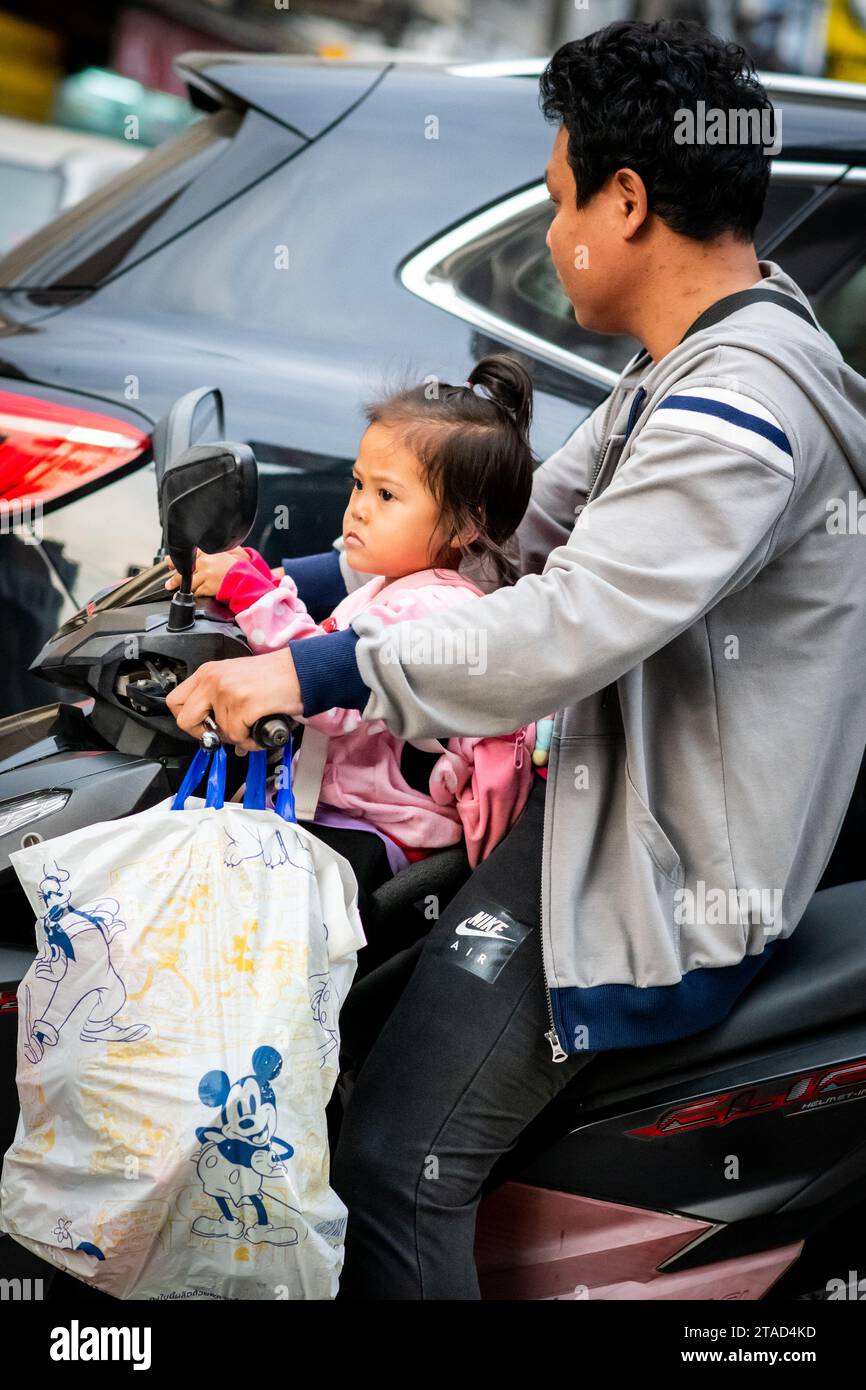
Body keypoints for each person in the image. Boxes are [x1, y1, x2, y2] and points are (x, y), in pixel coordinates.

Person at [167, 19, 866, 1298]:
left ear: (627, 200)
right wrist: (268, 588)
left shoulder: (738, 405)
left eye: (555, 203)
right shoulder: (686, 366)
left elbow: (564, 620)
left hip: (648, 863)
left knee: (391, 1158)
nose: (552, 235)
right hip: (595, 802)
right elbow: (507, 538)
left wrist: (311, 673)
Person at [167, 354, 537, 873]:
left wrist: (253, 596)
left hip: (376, 834)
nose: (359, 506)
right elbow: (322, 643)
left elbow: (328, 697)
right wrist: (253, 582)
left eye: (387, 494)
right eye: (358, 484)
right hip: (336, 810)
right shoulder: (394, 589)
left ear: (464, 527)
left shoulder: (436, 607)